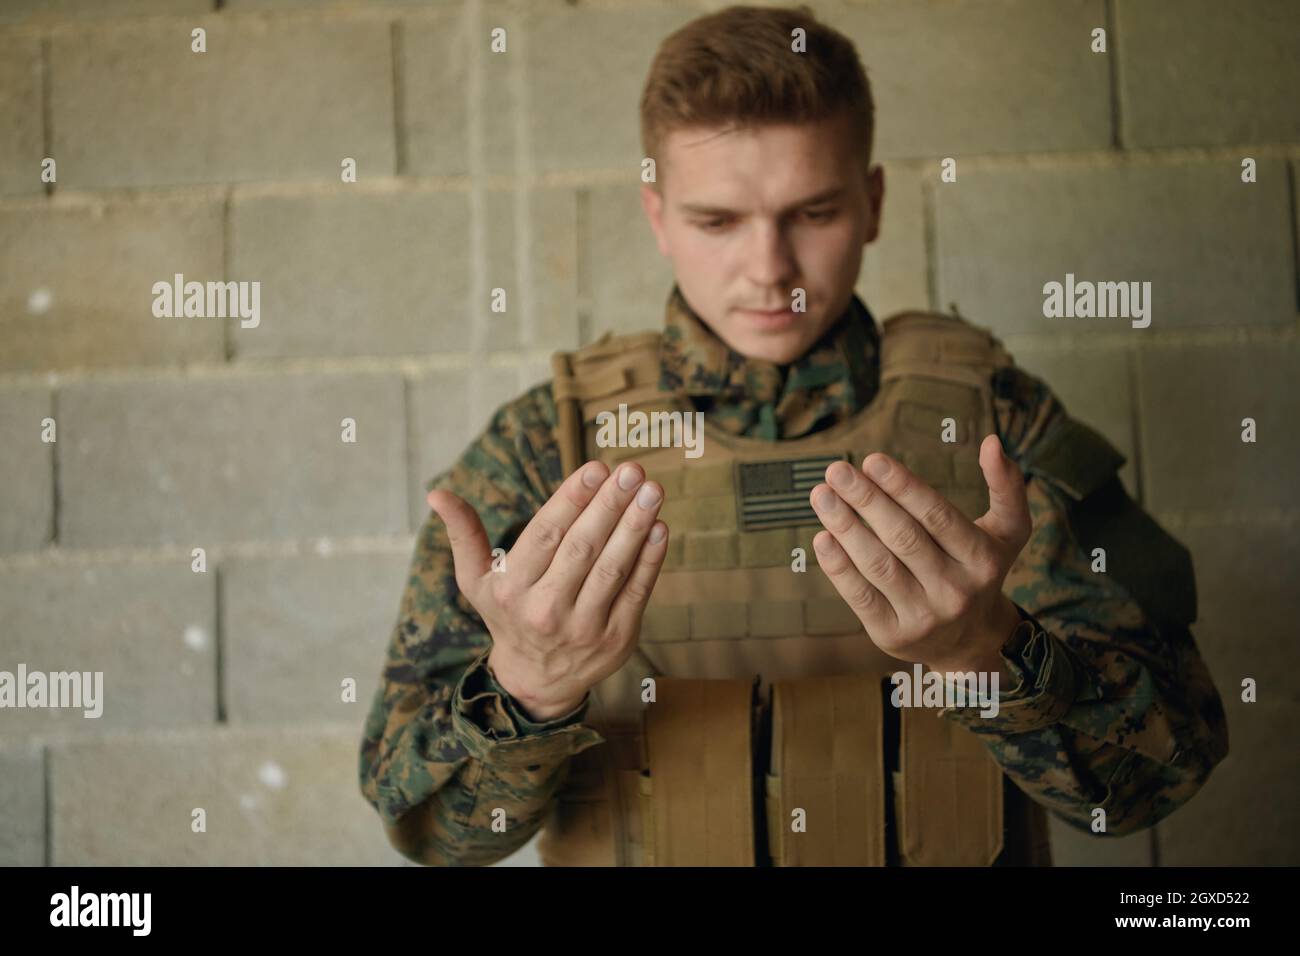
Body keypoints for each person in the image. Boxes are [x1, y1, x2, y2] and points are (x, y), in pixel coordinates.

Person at [358, 4, 1227, 866]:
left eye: (812, 213)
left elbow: (1153, 782)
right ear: (657, 217)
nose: (771, 270)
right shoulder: (547, 446)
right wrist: (529, 692)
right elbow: (432, 834)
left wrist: (990, 652)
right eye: (717, 222)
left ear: (873, 201)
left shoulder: (995, 418)